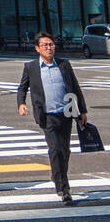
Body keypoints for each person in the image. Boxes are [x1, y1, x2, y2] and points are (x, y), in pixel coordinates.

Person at [17, 31, 88, 205]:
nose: (49, 48)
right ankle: (64, 188)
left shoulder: (64, 64)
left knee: (65, 151)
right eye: (45, 45)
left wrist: (82, 111)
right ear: (37, 48)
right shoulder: (31, 67)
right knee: (56, 149)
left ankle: (57, 175)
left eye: (51, 44)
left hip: (66, 114)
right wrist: (21, 104)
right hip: (46, 116)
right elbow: (22, 88)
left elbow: (75, 87)